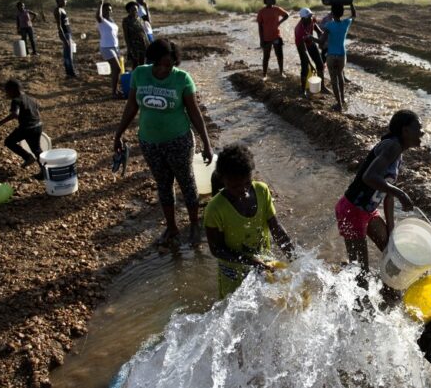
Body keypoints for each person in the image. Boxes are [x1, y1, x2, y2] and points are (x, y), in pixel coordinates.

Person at [113, 39, 213, 248]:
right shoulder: (140, 74)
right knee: (163, 185)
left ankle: (194, 225)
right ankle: (171, 227)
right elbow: (131, 106)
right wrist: (118, 134)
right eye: (160, 64)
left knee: (187, 183)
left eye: (169, 65)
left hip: (179, 141)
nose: (164, 69)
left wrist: (206, 143)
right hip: (150, 143)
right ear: (153, 60)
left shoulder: (182, 79)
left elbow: (194, 114)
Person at [335, 110, 423, 288]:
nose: (422, 133)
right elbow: (370, 176)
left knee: (391, 252)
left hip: (368, 211)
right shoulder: (392, 147)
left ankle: (389, 292)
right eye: (418, 129)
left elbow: (387, 195)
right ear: (405, 130)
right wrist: (401, 193)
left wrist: (391, 228)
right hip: (352, 210)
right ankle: (356, 307)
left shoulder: (399, 153)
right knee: (360, 273)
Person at [204, 143, 295, 298]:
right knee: (234, 308)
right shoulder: (215, 209)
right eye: (235, 186)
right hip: (233, 273)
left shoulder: (261, 190)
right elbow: (216, 249)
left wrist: (294, 256)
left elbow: (276, 228)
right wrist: (251, 261)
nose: (243, 190)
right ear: (223, 180)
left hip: (264, 264)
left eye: (247, 183)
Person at [0, 79, 44, 179]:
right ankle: (45, 172)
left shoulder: (16, 100)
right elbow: (38, 109)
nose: (7, 94)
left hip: (27, 128)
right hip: (38, 126)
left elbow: (15, 114)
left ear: (13, 90)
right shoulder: (31, 98)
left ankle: (27, 157)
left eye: (7, 91)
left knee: (9, 141)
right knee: (37, 149)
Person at [320, 3, 356, 111]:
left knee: (334, 80)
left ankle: (339, 104)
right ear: (342, 13)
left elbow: (321, 41)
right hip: (341, 55)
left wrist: (310, 37)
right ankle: (343, 99)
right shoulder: (346, 23)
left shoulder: (329, 25)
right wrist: (351, 4)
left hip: (331, 56)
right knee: (340, 76)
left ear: (332, 12)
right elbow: (354, 15)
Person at [294, 7, 329, 97]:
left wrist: (320, 34)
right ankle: (303, 90)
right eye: (308, 17)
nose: (310, 18)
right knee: (305, 67)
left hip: (311, 43)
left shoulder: (311, 19)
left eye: (310, 16)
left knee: (320, 65)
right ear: (302, 18)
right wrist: (311, 65)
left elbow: (316, 28)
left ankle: (322, 86)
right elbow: (304, 51)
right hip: (301, 46)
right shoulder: (299, 30)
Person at [256, 0, 289, 80]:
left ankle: (281, 73)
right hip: (266, 38)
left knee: (280, 56)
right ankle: (264, 75)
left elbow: (287, 15)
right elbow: (259, 27)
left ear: (273, 0)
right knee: (266, 57)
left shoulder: (277, 9)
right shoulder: (261, 11)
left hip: (276, 36)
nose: (269, 0)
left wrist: (279, 22)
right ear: (265, 0)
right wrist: (261, 40)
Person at [95, 0, 122, 98]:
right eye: (106, 10)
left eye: (110, 10)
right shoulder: (101, 21)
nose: (108, 12)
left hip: (115, 47)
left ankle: (116, 90)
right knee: (117, 68)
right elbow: (98, 16)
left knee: (116, 70)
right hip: (106, 47)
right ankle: (114, 92)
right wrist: (100, 5)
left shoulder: (111, 21)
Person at [54, 0, 77, 77]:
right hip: (65, 34)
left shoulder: (63, 9)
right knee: (68, 55)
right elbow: (59, 26)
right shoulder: (58, 10)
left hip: (68, 33)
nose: (65, 1)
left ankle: (69, 72)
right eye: (63, 0)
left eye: (65, 0)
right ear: (58, 1)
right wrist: (63, 38)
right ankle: (70, 72)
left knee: (68, 54)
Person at [122, 1, 150, 69]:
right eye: (133, 9)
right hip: (134, 46)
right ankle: (135, 78)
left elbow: (144, 31)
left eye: (136, 9)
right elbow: (126, 35)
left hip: (143, 43)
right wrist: (129, 48)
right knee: (135, 64)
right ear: (128, 10)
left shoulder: (140, 19)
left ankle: (141, 77)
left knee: (143, 62)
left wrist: (147, 43)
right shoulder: (126, 21)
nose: (135, 11)